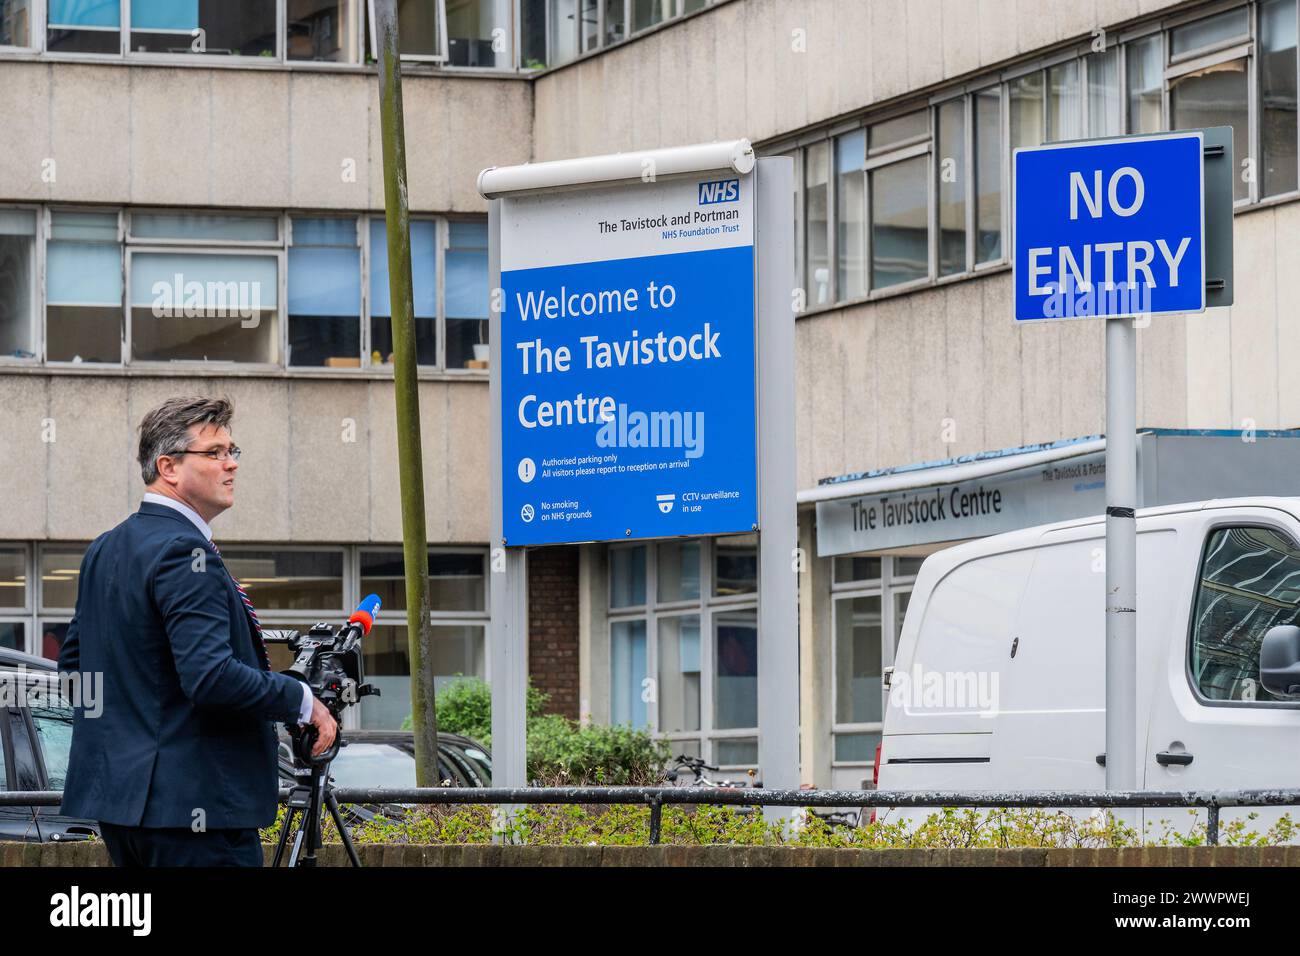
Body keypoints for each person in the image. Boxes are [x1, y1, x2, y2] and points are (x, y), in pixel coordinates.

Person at [58, 396, 337, 867]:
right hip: (196, 817)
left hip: (124, 810)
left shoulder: (105, 549)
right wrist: (301, 700)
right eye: (214, 453)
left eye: (233, 451)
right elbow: (210, 677)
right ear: (168, 467)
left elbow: (73, 671)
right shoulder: (186, 552)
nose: (231, 464)